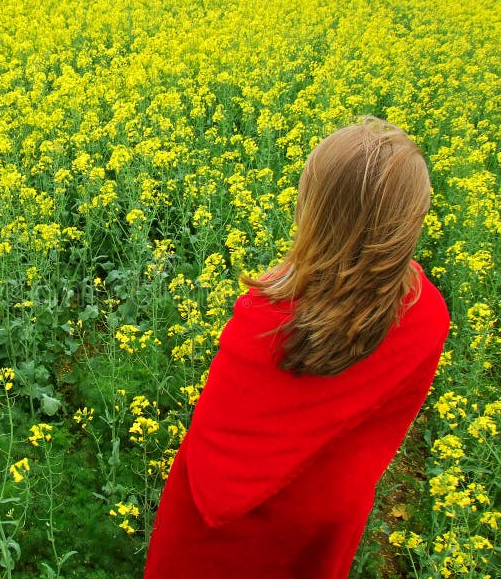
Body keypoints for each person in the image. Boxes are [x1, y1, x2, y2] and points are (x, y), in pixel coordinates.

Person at [143, 117, 450, 578]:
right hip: (328, 516)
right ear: (410, 223)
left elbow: (214, 461)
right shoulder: (428, 315)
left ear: (311, 210)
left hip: (225, 532)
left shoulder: (266, 321)